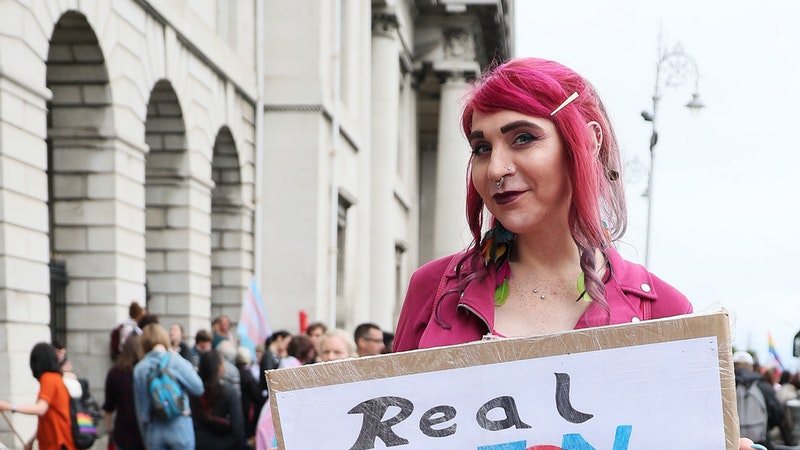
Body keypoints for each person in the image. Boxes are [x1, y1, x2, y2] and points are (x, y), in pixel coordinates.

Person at [391, 57, 760, 450]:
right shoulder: (433, 289)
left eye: (523, 138)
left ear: (588, 140)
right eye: (482, 147)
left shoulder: (664, 311)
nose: (496, 168)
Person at [255, 329, 355, 449]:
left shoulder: (360, 389)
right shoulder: (306, 388)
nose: (331, 357)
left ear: (350, 354)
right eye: (326, 351)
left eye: (337, 352)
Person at [133, 323, 204, 450]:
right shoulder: (175, 360)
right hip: (180, 427)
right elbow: (198, 388)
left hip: (154, 430)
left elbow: (141, 408)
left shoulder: (139, 369)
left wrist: (145, 438)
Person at [0, 342, 76, 450]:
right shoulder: (56, 379)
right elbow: (49, 417)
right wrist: (31, 441)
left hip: (57, 443)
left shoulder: (48, 378)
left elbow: (41, 409)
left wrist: (9, 406)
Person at [190, 350, 245, 450]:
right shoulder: (229, 392)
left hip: (197, 442)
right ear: (219, 368)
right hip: (225, 443)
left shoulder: (194, 391)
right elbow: (238, 428)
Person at [103, 333, 145, 450]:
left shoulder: (114, 373)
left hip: (122, 432)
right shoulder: (144, 371)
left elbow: (108, 409)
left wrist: (110, 431)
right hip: (143, 432)